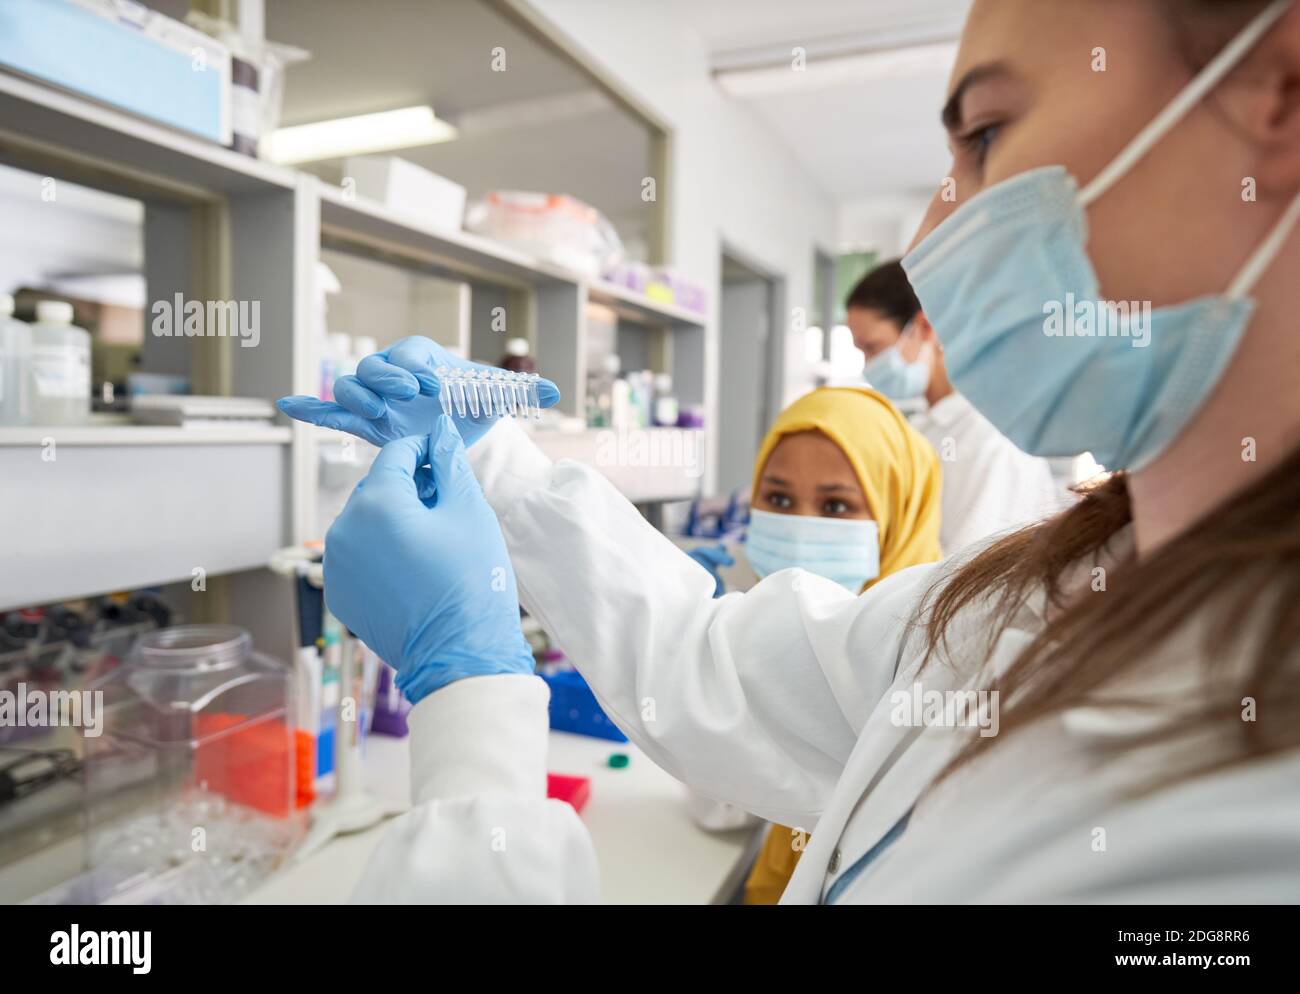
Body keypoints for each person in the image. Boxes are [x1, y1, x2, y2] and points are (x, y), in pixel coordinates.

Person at [280, 0, 1300, 903]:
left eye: (987, 132)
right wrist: (491, 460)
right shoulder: (1048, 590)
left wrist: (467, 689)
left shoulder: (1251, 830)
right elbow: (706, 659)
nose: (934, 226)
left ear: (1282, 91)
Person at [684, 387, 943, 901]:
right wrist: (703, 653)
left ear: (899, 511)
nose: (803, 527)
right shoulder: (779, 636)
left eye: (836, 506)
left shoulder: (932, 663)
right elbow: (722, 808)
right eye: (778, 499)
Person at [846, 259, 1063, 553]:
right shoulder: (924, 427)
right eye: (861, 351)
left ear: (924, 327)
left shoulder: (990, 437)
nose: (869, 366)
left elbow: (970, 575)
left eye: (873, 347)